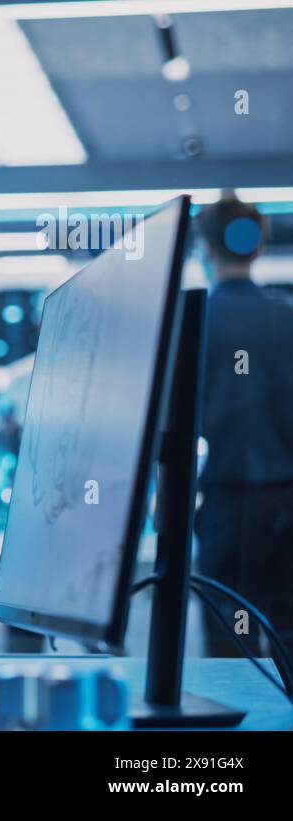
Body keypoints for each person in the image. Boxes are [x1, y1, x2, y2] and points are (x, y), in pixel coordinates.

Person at [192, 195, 293, 657]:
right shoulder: (286, 318)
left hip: (224, 509)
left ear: (206, 251)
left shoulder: (193, 322)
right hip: (284, 510)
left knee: (228, 650)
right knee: (287, 645)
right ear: (255, 249)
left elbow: (168, 433)